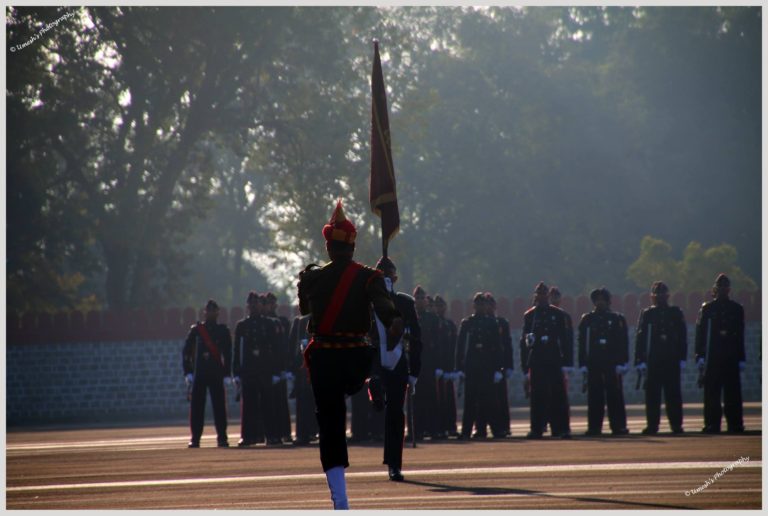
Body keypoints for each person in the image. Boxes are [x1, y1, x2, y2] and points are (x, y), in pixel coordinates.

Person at [297, 200, 402, 510]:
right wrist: (394, 320)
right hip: (356, 354)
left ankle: (340, 501)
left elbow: (305, 310)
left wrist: (306, 283)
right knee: (370, 360)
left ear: (329, 247)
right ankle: (372, 379)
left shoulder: (313, 277)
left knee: (329, 424)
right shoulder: (369, 277)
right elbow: (386, 312)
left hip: (324, 357)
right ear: (353, 247)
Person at [369, 257, 422, 481]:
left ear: (395, 278)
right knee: (381, 401)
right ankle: (375, 390)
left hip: (398, 360)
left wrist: (414, 372)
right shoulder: (367, 302)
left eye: (388, 276)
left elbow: (416, 338)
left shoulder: (405, 302)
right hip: (375, 360)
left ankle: (394, 464)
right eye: (381, 276)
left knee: (396, 414)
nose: (386, 279)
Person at [520, 282, 573, 439]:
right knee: (537, 396)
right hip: (537, 359)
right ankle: (536, 428)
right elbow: (524, 343)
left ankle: (561, 428)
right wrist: (525, 367)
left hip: (554, 358)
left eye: (544, 294)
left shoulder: (558, 314)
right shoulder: (530, 315)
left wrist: (567, 363)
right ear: (535, 296)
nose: (541, 297)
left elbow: (565, 340)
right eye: (539, 294)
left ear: (548, 296)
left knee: (558, 395)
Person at [695, 273, 746, 434]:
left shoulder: (736, 309)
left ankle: (735, 423)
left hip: (730, 357)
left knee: (733, 394)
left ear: (729, 289)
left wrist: (741, 358)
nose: (723, 290)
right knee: (712, 394)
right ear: (715, 289)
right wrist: (700, 356)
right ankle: (712, 423)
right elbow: (701, 334)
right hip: (713, 357)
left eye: (725, 287)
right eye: (720, 287)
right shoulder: (707, 309)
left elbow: (740, 335)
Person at [634, 281, 687, 435]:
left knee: (673, 395)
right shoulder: (648, 314)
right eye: (656, 294)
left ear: (668, 296)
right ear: (652, 297)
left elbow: (682, 337)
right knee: (652, 396)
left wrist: (682, 358)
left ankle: (676, 425)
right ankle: (652, 425)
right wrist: (640, 361)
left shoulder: (675, 313)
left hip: (671, 359)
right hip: (653, 360)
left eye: (662, 294)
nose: (659, 297)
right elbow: (641, 339)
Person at [577, 287, 630, 436]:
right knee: (595, 396)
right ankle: (594, 427)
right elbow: (582, 343)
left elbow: (623, 342)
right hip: (594, 362)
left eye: (602, 299)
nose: (600, 302)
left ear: (608, 301)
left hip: (612, 363)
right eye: (597, 300)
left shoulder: (617, 319)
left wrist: (623, 362)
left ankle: (618, 426)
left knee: (615, 396)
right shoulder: (587, 319)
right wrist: (582, 364)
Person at [233, 291, 283, 446]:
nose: (254, 306)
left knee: (269, 404)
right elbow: (237, 351)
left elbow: (276, 349)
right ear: (247, 306)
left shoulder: (269, 324)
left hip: (265, 370)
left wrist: (276, 371)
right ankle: (248, 436)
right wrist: (236, 373)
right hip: (249, 371)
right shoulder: (242, 325)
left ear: (261, 305)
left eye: (256, 303)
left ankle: (272, 436)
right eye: (251, 304)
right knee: (249, 406)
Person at [182, 299, 232, 448]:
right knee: (197, 407)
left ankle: (222, 437)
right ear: (205, 312)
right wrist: (188, 372)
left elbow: (228, 354)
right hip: (200, 373)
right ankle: (195, 438)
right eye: (208, 310)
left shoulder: (223, 331)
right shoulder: (196, 331)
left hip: (216, 373)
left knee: (219, 408)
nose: (211, 313)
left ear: (218, 312)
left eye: (213, 310)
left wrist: (227, 374)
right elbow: (186, 352)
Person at [456, 293, 505, 439]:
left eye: (483, 304)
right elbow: (460, 347)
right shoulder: (467, 323)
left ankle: (491, 430)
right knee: (470, 401)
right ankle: (466, 431)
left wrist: (498, 369)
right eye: (478, 304)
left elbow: (498, 347)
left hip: (487, 367)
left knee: (488, 400)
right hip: (471, 367)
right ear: (474, 305)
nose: (481, 307)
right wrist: (459, 368)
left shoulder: (492, 323)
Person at [264, 292, 294, 444]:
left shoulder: (282, 322)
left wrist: (286, 368)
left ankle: (285, 433)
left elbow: (286, 346)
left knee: (281, 402)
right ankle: (271, 434)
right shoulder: (262, 322)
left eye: (271, 303)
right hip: (266, 369)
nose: (269, 306)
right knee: (269, 403)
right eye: (267, 303)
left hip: (279, 367)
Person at [411, 285, 440, 441]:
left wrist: (439, 365)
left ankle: (434, 429)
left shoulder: (433, 319)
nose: (420, 301)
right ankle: (417, 430)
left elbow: (438, 343)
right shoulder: (409, 317)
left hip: (429, 363)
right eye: (417, 298)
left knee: (431, 397)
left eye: (422, 298)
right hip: (415, 363)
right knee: (416, 398)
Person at [288, 314, 319, 445]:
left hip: (321, 366)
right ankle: (303, 434)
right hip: (304, 369)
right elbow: (292, 347)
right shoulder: (300, 322)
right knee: (303, 403)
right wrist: (292, 368)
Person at [486, 292, 514, 438]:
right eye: (487, 304)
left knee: (501, 398)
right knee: (485, 398)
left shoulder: (502, 323)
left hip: (500, 364)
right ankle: (483, 427)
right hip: (485, 365)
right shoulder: (481, 322)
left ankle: (504, 426)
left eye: (491, 304)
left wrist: (509, 366)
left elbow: (507, 346)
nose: (489, 307)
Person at [433, 295, 458, 438]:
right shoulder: (433, 323)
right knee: (438, 401)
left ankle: (451, 426)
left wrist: (454, 368)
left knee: (450, 400)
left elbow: (454, 347)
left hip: (448, 367)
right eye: (437, 306)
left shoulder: (450, 324)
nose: (439, 309)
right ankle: (440, 428)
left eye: (441, 306)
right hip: (437, 367)